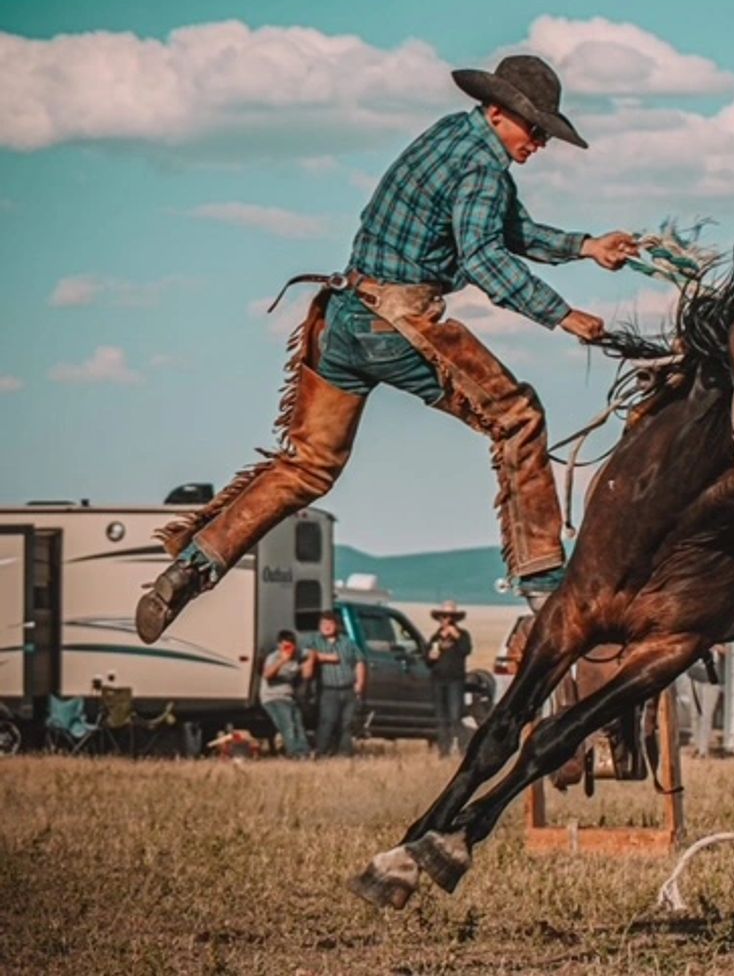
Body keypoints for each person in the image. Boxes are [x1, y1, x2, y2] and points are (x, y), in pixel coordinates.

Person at [135, 54, 639, 645]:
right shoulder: (483, 168)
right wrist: (562, 314)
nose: (540, 144)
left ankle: (193, 566)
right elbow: (483, 256)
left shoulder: (450, 136)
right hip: (395, 322)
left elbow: (502, 229)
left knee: (307, 464)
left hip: (341, 316)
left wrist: (585, 245)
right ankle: (542, 582)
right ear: (500, 113)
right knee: (517, 416)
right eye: (535, 130)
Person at [301, 610, 366, 757]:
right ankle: (321, 752)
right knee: (327, 722)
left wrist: (360, 683)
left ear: (336, 625)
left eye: (330, 624)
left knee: (346, 724)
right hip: (328, 690)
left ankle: (344, 754)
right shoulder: (314, 641)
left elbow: (359, 661)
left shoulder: (347, 642)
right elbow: (305, 654)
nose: (326, 627)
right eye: (323, 623)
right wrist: (325, 657)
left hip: (349, 689)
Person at [427, 601, 473, 757]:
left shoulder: (463, 635)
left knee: (455, 716)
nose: (446, 620)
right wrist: (431, 656)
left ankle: (463, 748)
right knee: (441, 717)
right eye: (444, 616)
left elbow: (466, 650)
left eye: (450, 617)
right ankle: (444, 750)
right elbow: (427, 659)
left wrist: (456, 636)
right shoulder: (435, 637)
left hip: (455, 680)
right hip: (438, 680)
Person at [259, 629, 310, 758]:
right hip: (273, 696)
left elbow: (312, 654)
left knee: (298, 723)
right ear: (279, 645)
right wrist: (282, 660)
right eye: (285, 645)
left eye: (291, 645)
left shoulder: (297, 655)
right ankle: (294, 752)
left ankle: (304, 752)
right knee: (288, 724)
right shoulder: (274, 657)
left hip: (289, 697)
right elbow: (267, 674)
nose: (288, 648)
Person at [686, 644, 727, 757]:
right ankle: (697, 745)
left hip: (712, 679)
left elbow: (729, 652)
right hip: (694, 677)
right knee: (694, 715)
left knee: (706, 715)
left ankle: (703, 750)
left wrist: (716, 647)